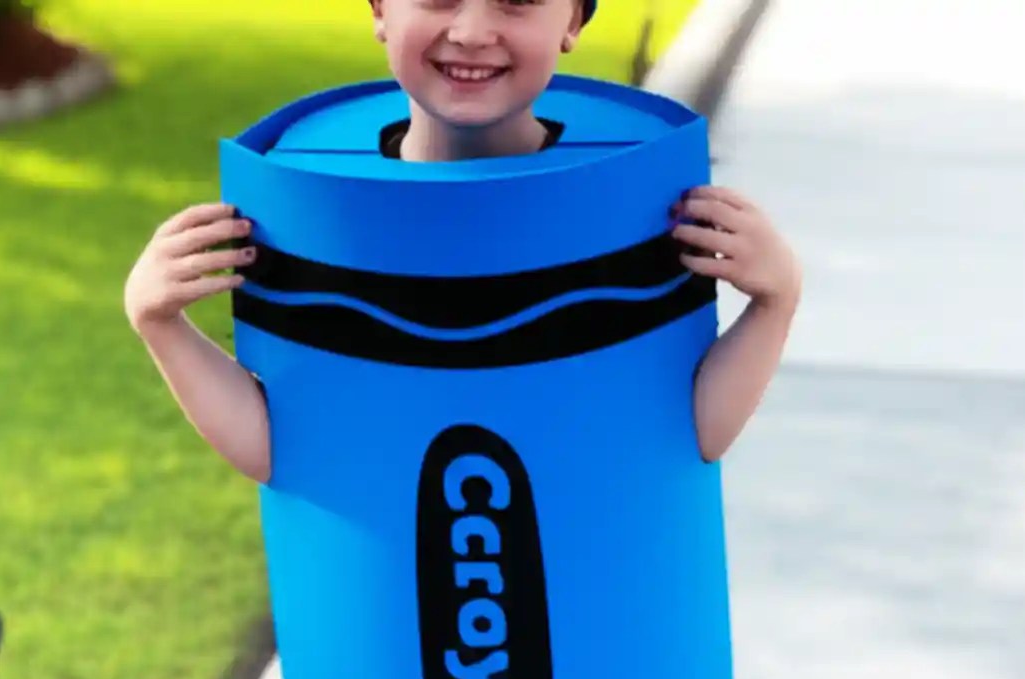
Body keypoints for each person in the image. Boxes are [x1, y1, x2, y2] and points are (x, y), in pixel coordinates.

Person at [122, 0, 802, 485]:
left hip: (589, 614)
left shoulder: (635, 199)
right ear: (379, 9)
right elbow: (287, 450)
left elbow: (686, 434)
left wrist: (775, 302)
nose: (473, 30)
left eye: (517, 1)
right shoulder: (313, 207)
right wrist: (160, 324)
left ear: (572, 20)